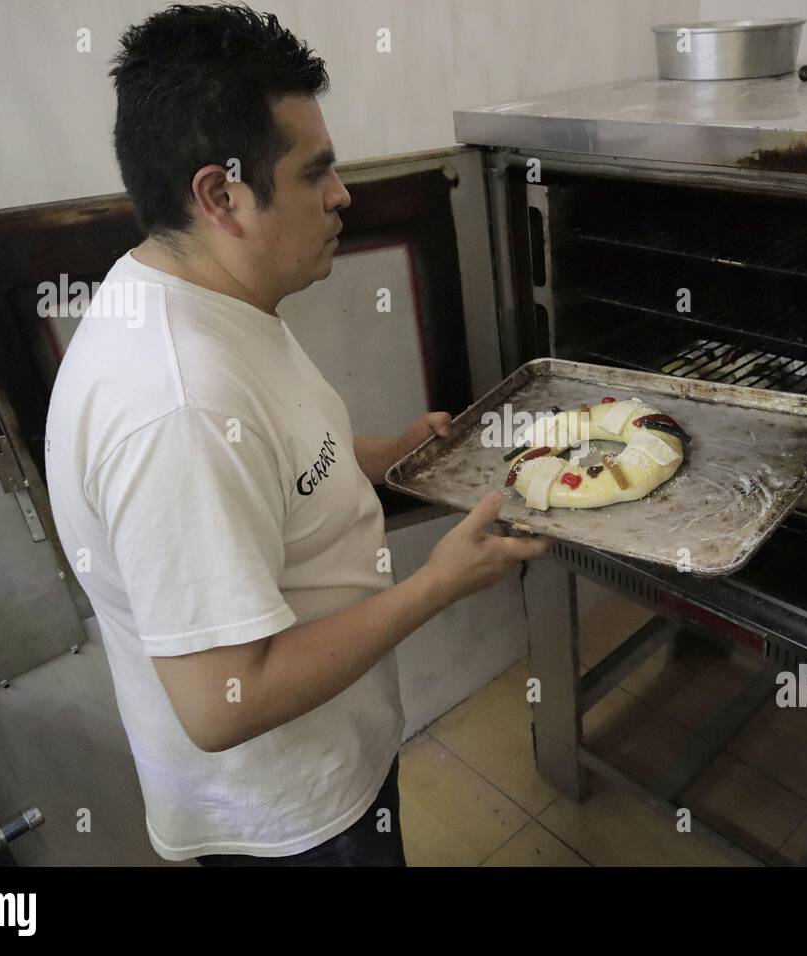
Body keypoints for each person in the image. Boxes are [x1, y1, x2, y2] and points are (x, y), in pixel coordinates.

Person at [44, 3, 551, 867]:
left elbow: (277, 475)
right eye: (316, 172)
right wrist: (438, 585)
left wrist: (394, 455)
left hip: (335, 754)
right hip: (283, 820)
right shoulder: (174, 407)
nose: (340, 194)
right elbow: (222, 703)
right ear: (221, 195)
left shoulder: (209, 297)